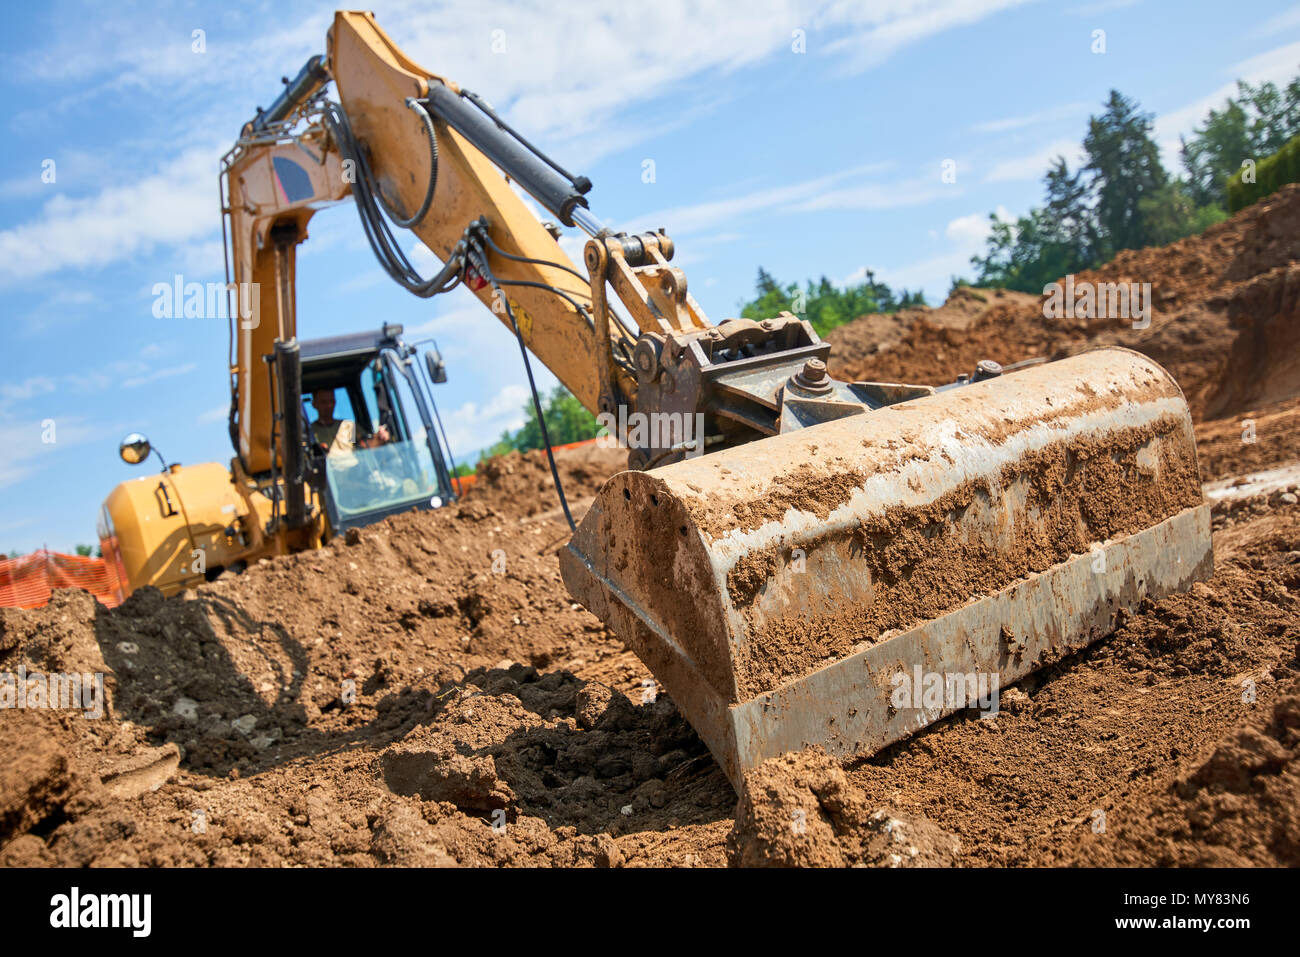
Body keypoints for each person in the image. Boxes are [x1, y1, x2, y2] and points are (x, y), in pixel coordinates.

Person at [308, 389, 389, 465]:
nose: (329, 405)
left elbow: (366, 445)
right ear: (314, 404)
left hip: (354, 473)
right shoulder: (310, 431)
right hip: (328, 475)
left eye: (331, 401)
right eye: (323, 402)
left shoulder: (348, 426)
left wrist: (379, 438)